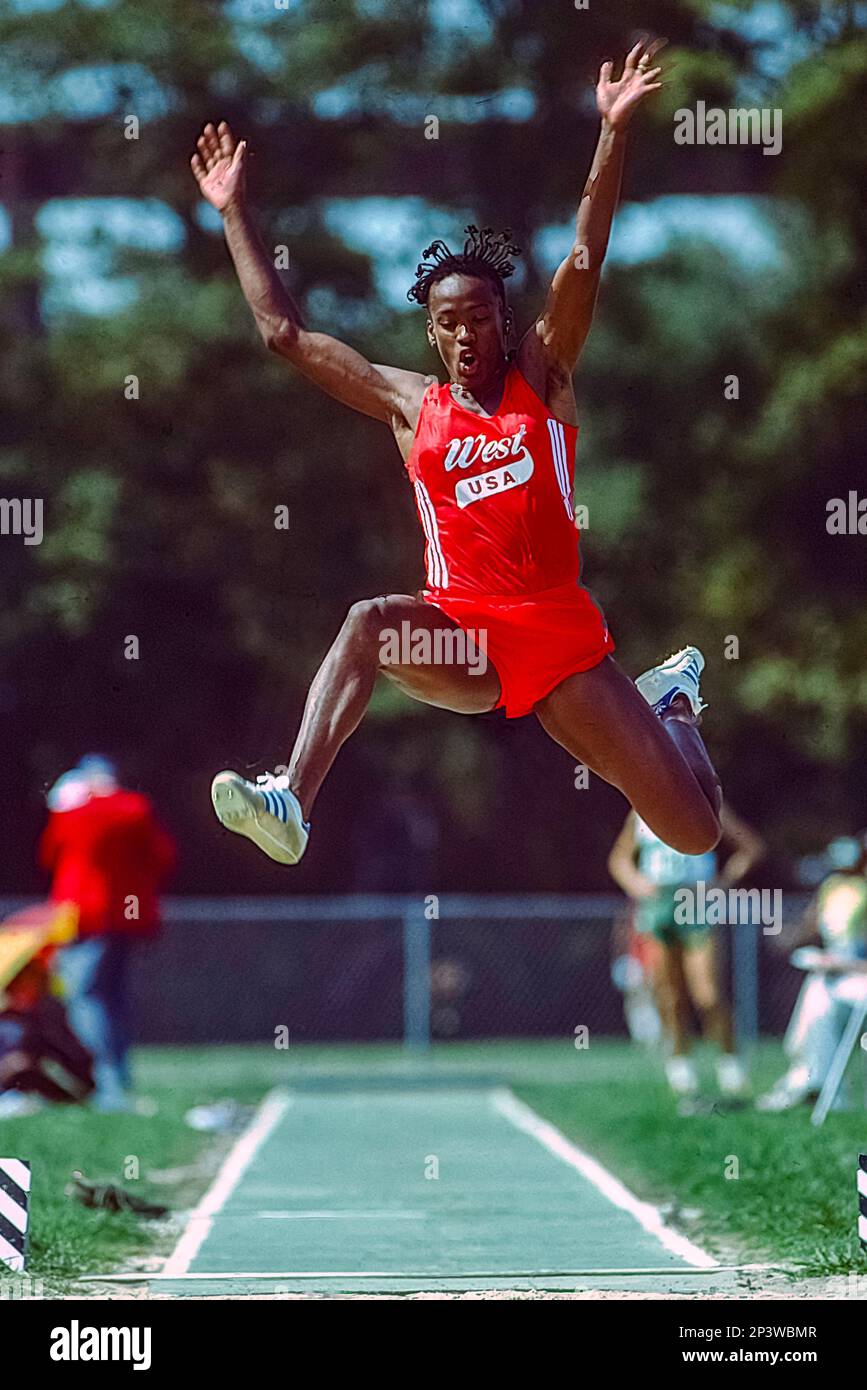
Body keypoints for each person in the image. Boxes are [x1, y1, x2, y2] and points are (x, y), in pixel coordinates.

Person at [191, 41, 723, 870]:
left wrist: (612, 130)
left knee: (695, 832)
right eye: (450, 321)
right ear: (431, 331)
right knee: (368, 621)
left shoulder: (541, 379)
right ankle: (290, 799)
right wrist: (232, 210)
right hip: (463, 636)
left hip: (558, 637)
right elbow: (283, 335)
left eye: (480, 316)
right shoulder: (411, 407)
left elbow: (584, 260)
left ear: (501, 322)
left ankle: (673, 701)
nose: (467, 333)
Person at [39, 756, 176, 1112]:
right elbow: (162, 857)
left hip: (84, 917)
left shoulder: (74, 811)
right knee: (116, 997)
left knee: (86, 996)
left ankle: (105, 1082)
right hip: (129, 918)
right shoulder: (136, 808)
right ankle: (118, 1078)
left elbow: (49, 853)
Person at [607, 804, 764, 1097]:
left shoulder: (703, 804)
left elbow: (750, 847)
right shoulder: (641, 811)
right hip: (658, 905)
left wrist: (723, 882)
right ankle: (681, 1067)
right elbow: (620, 859)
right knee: (669, 995)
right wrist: (637, 883)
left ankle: (730, 1062)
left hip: (696, 901)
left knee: (708, 994)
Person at [757, 834, 867, 1112]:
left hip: (857, 974)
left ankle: (811, 1080)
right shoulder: (834, 887)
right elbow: (812, 923)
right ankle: (816, 1083)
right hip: (845, 975)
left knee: (820, 993)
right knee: (820, 996)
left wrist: (843, 965)